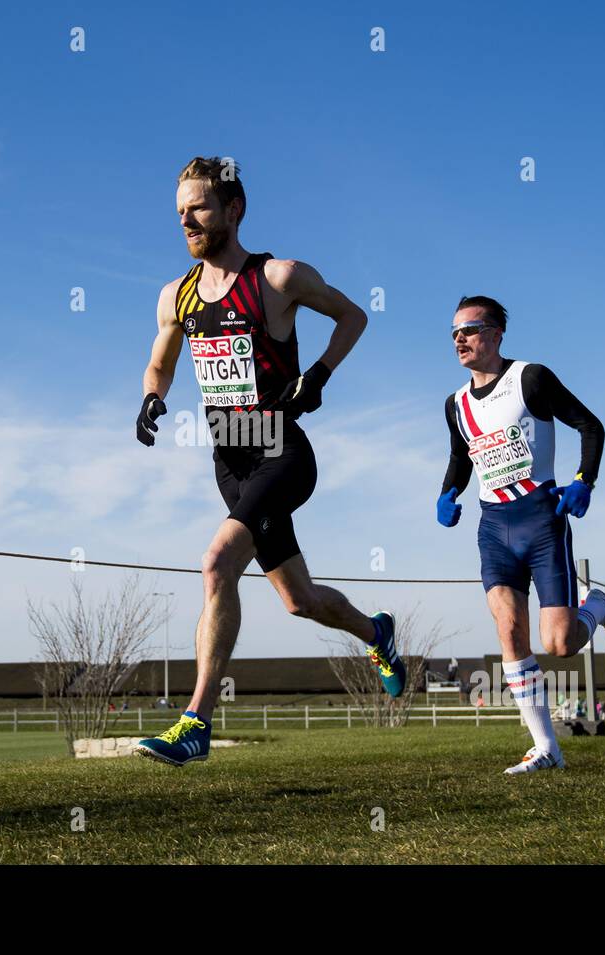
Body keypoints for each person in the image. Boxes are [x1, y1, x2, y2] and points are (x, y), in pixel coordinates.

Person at [132, 157, 403, 767]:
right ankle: (376, 633)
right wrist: (153, 396)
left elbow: (352, 315)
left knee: (216, 561)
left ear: (234, 210)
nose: (187, 221)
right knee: (299, 599)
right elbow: (161, 361)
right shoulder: (176, 296)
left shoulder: (279, 278)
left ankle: (195, 721)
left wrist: (319, 375)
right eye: (179, 212)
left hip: (282, 451)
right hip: (229, 463)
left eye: (198, 208)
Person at [436, 295, 605, 774]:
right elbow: (461, 456)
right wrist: (447, 493)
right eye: (454, 333)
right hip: (493, 528)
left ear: (497, 334)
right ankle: (546, 748)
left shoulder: (530, 377)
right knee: (508, 628)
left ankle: (599, 606)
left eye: (470, 329)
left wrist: (584, 480)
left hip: (542, 522)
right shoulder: (455, 404)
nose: (460, 339)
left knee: (560, 645)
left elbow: (591, 426)